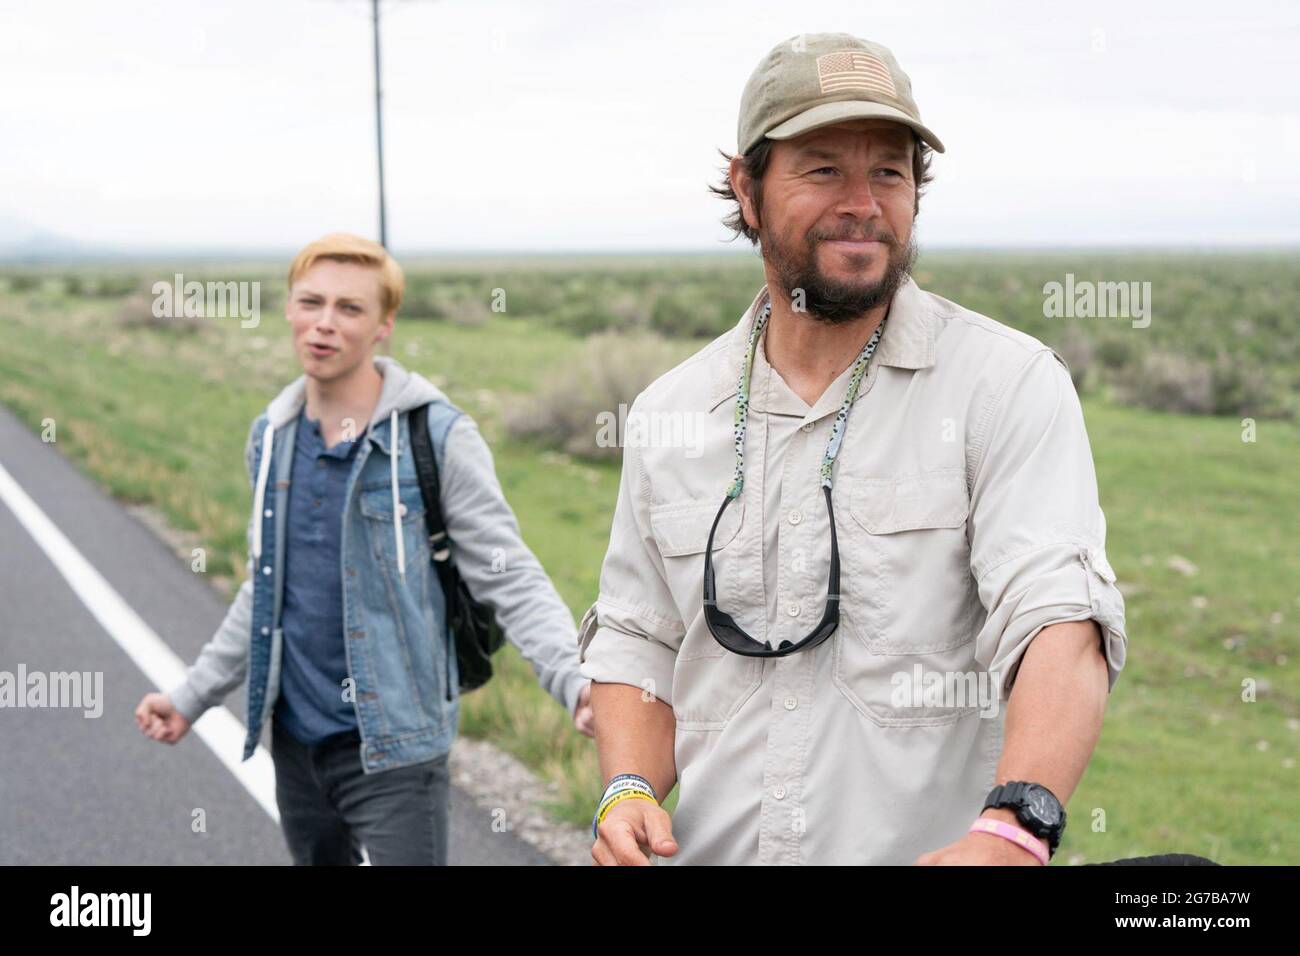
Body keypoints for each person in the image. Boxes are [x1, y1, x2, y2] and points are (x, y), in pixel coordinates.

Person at [580, 33, 1128, 865]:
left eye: (889, 171)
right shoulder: (672, 412)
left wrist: (1016, 827)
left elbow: (1058, 619)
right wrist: (627, 791)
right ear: (747, 187)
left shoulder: (1004, 386)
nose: (864, 202)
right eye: (824, 167)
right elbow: (637, 638)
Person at [135, 232, 593, 865]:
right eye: (311, 302)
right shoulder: (272, 438)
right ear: (290, 310)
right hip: (294, 739)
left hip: (396, 746)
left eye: (349, 308)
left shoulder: (438, 438)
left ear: (384, 325)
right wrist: (191, 697)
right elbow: (266, 589)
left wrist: (573, 679)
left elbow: (507, 573)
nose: (325, 324)